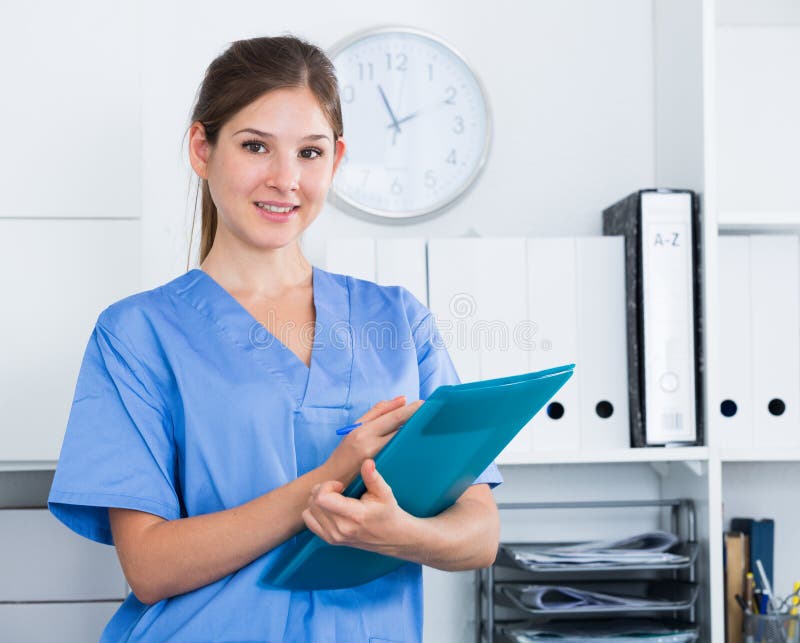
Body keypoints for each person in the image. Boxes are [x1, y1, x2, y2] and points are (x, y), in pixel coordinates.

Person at [48, 35, 502, 642]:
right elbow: (149, 566)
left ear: (336, 160)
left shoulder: (396, 320)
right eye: (256, 146)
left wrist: (401, 533)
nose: (285, 179)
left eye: (310, 153)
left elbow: (480, 533)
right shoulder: (138, 334)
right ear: (202, 148)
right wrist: (325, 485)